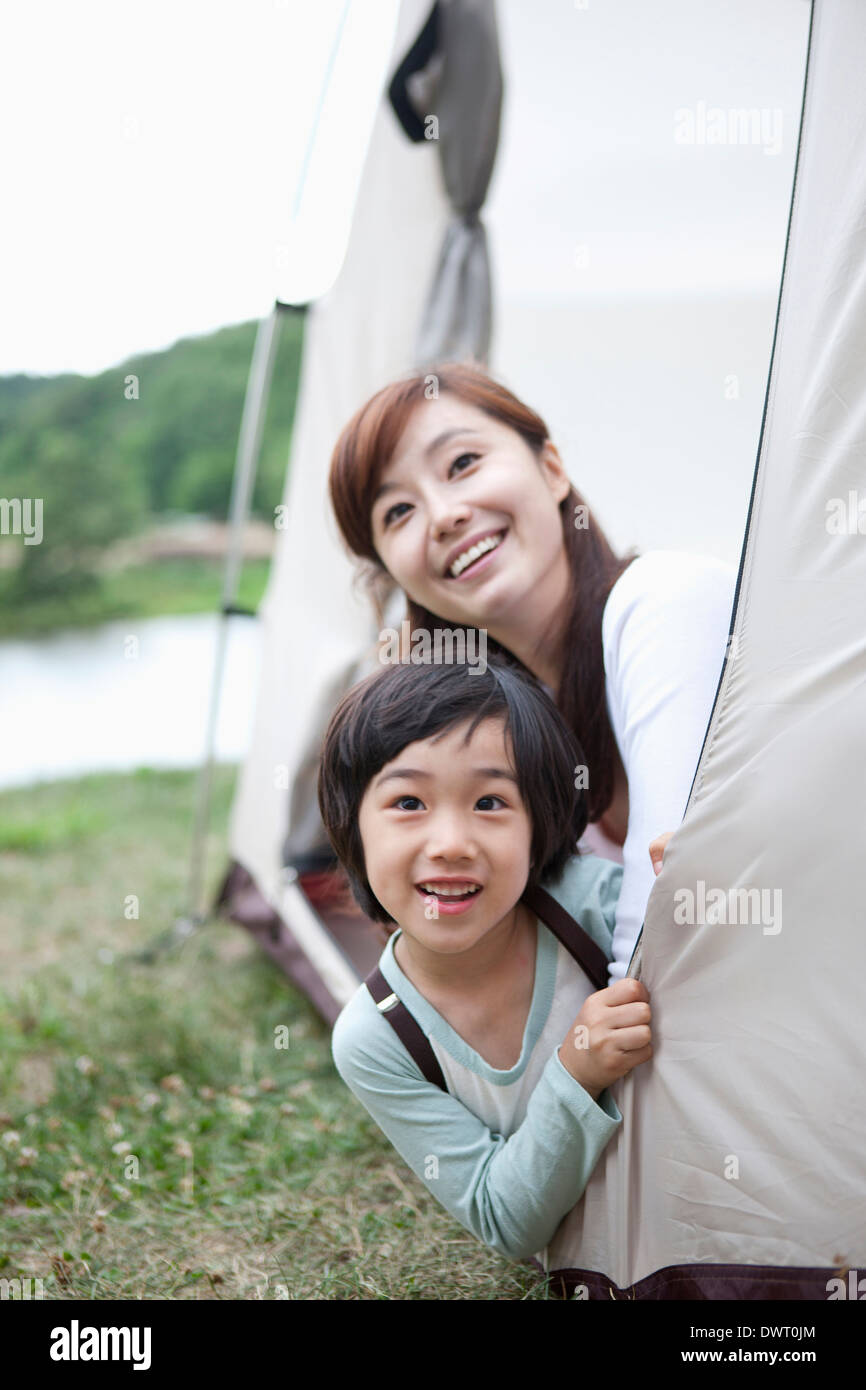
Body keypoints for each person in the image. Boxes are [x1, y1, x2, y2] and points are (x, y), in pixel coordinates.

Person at [329, 362, 735, 979]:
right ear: (390, 572)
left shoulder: (664, 602)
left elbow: (671, 912)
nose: (443, 515)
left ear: (551, 470)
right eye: (398, 512)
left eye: (462, 464)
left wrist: (610, 1050)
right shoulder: (495, 728)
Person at [320, 658, 659, 1274]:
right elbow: (505, 1221)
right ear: (353, 827)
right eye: (408, 801)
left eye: (489, 800)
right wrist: (576, 1071)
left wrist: (690, 890)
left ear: (539, 826)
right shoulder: (379, 1038)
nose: (451, 842)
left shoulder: (590, 907)